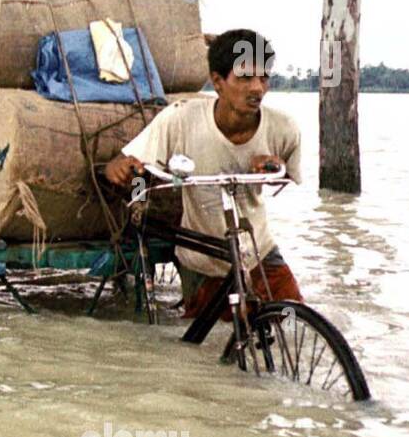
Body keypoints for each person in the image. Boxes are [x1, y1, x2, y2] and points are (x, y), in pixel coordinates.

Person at [104, 28, 304, 319]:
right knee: (207, 342)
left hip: (258, 250)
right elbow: (127, 161)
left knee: (294, 320)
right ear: (218, 82)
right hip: (202, 259)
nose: (257, 88)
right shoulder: (182, 117)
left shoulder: (283, 128)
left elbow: (287, 176)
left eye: (263, 78)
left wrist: (275, 168)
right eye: (245, 78)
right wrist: (120, 170)